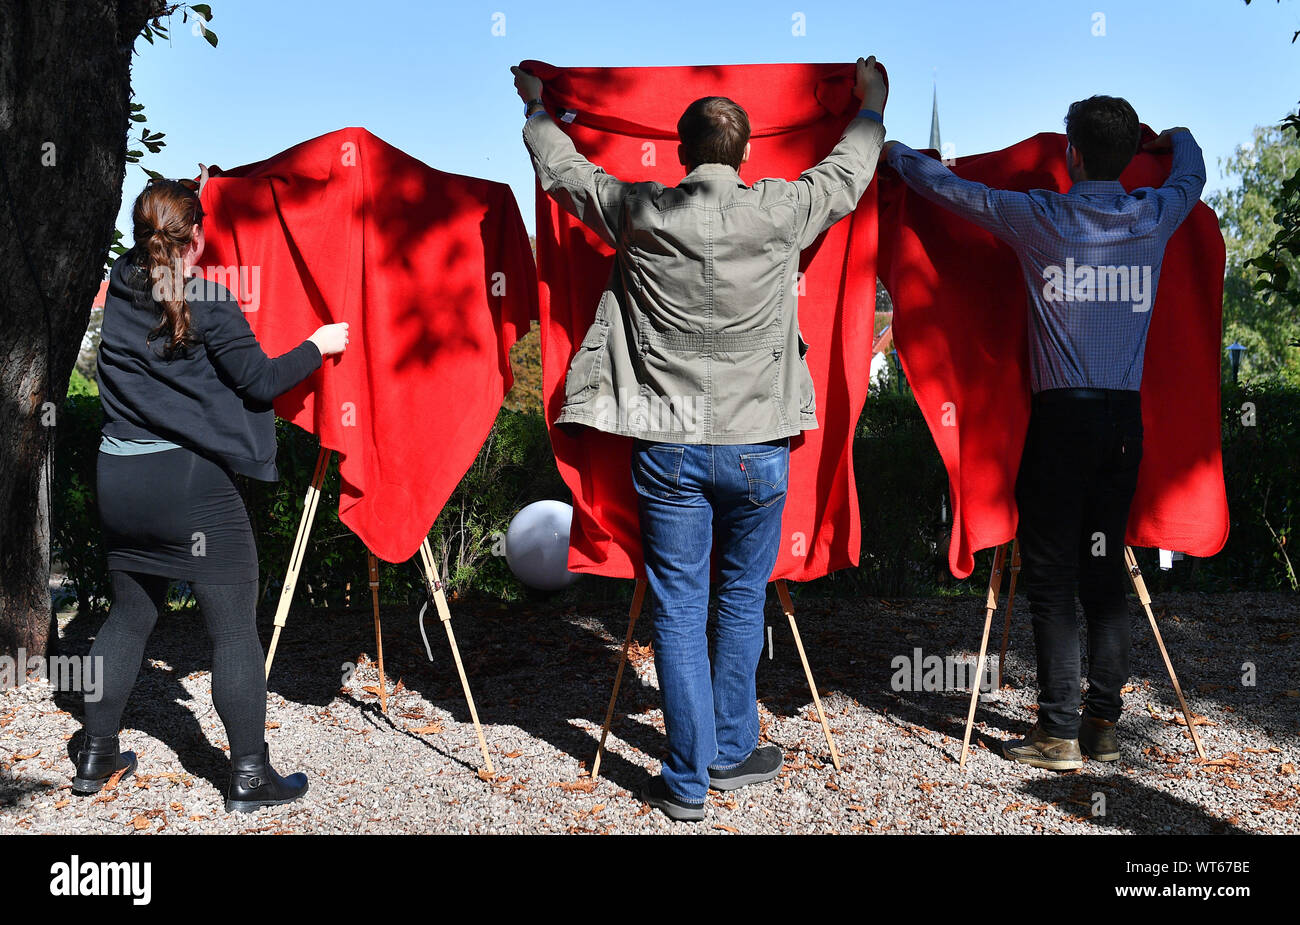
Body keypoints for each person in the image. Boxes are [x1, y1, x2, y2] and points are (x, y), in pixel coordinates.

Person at [513, 58, 888, 819]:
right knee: (742, 597)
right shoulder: (780, 210)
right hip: (759, 446)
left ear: (681, 154)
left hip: (670, 445)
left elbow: (565, 173)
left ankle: (685, 784)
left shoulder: (641, 212)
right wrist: (874, 104)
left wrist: (533, 108)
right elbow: (848, 173)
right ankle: (727, 749)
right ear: (745, 155)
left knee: (679, 608)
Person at [881, 98, 1206, 770]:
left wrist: (890, 152)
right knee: (1105, 574)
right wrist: (1178, 136)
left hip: (1061, 422)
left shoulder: (1042, 218)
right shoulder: (1153, 214)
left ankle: (1057, 732)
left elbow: (950, 189)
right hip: (1123, 422)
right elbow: (1191, 175)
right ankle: (1101, 725)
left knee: (1053, 578)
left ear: (1073, 153)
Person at [76, 173, 349, 811]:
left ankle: (94, 756)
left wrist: (183, 206)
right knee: (232, 634)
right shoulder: (210, 301)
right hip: (190, 487)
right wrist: (317, 345)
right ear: (197, 237)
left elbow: (154, 256)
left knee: (129, 616)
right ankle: (251, 777)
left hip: (118, 478)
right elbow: (261, 382)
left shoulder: (120, 283)